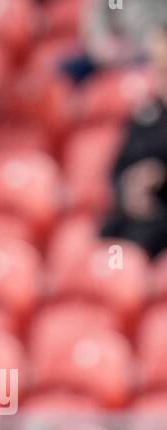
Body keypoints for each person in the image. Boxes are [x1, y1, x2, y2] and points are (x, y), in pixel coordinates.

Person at [100, 20, 167, 258]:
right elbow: (118, 169)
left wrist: (160, 175)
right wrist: (130, 184)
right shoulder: (146, 115)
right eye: (158, 67)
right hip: (136, 223)